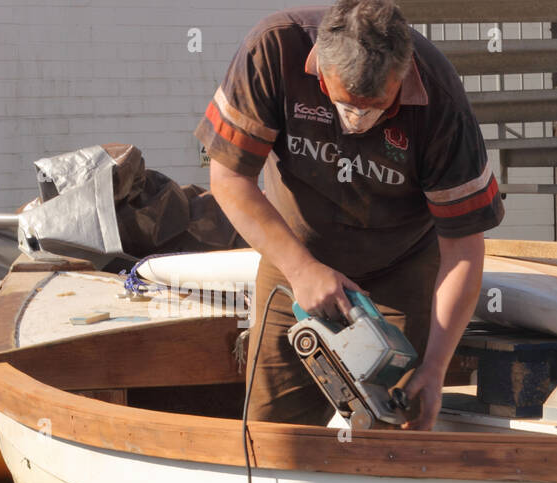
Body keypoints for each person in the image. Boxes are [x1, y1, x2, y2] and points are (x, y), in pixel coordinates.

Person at [197, 0, 503, 429]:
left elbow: (464, 247)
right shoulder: (273, 50)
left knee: (394, 419)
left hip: (404, 266)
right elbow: (229, 180)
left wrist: (435, 369)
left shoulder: (441, 100)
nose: (357, 120)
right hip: (295, 253)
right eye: (345, 103)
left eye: (375, 106)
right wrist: (301, 269)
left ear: (404, 71)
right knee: (272, 429)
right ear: (319, 65)